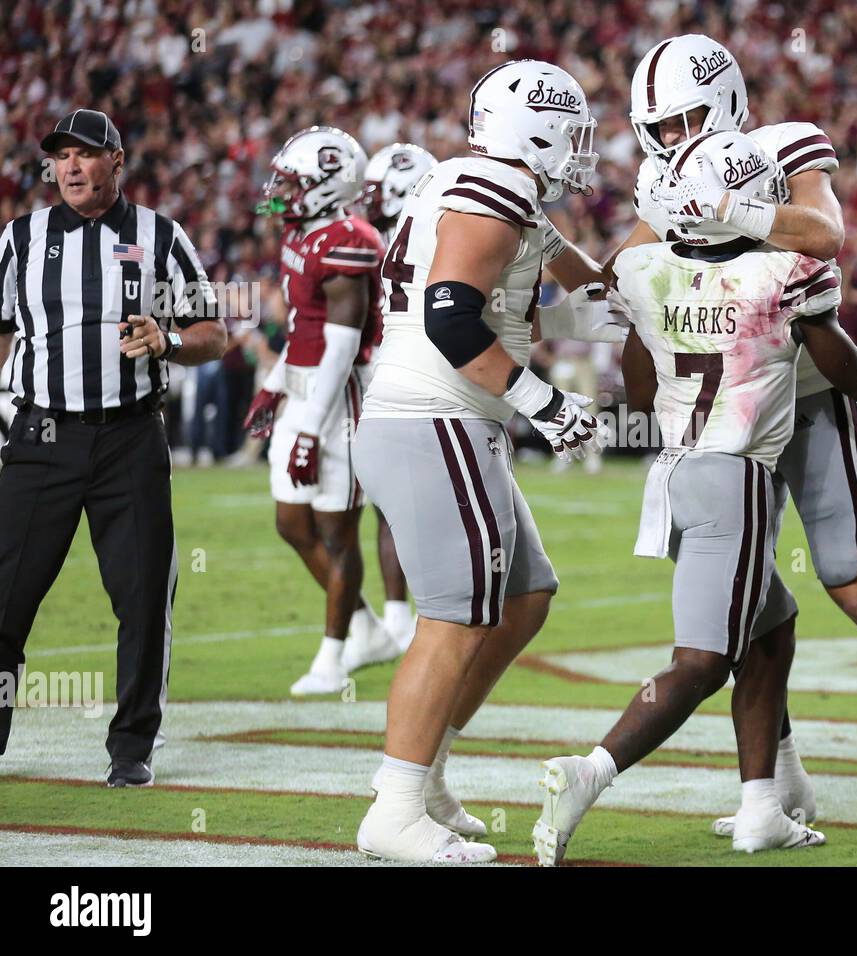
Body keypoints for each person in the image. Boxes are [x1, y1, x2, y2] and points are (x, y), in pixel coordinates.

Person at [591, 34, 857, 835]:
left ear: (727, 98)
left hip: (806, 393)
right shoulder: (668, 179)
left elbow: (823, 232)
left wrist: (724, 206)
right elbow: (617, 279)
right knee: (748, 607)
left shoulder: (781, 147)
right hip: (721, 416)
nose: (674, 141)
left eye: (686, 120)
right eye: (660, 129)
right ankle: (777, 784)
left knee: (852, 584)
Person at [532, 130, 857, 864]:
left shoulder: (639, 268)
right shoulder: (786, 274)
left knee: (772, 630)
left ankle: (763, 805)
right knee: (702, 661)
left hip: (674, 477)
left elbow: (637, 386)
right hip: (738, 475)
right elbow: (852, 377)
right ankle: (589, 773)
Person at [353, 60, 619, 863]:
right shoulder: (491, 191)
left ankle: (425, 770)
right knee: (456, 615)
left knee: (525, 596)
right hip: (435, 417)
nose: (578, 149)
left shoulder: (496, 192)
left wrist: (652, 280)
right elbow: (450, 317)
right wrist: (545, 403)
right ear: (531, 126)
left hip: (445, 420)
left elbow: (586, 287)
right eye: (570, 131)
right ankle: (394, 808)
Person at [0, 109, 228, 786]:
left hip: (131, 435)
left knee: (141, 596)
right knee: (5, 598)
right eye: (61, 156)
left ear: (117, 162)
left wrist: (172, 342)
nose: (70, 167)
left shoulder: (160, 235)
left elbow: (213, 330)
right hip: (40, 436)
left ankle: (131, 749)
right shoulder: (21, 237)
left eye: (86, 154)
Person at [245, 126, 398, 694]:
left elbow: (340, 345)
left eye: (294, 183)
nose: (281, 191)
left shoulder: (349, 240)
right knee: (291, 522)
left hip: (339, 397)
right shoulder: (305, 234)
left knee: (338, 532)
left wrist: (309, 427)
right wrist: (276, 380)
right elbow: (304, 330)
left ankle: (334, 658)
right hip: (304, 385)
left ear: (329, 188)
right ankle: (364, 625)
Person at [357, 142, 438, 649]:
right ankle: (416, 618)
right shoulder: (434, 233)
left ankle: (400, 617)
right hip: (423, 377)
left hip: (382, 377)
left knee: (389, 507)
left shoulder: (370, 240)